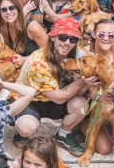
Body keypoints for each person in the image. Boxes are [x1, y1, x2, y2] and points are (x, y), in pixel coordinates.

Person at [13, 17, 91, 154]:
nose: (67, 43)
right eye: (63, 37)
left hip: (54, 99)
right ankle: (21, 134)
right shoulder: (38, 61)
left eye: (73, 39)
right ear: (53, 37)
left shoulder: (79, 55)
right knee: (27, 127)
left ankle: (63, 135)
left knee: (81, 105)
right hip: (30, 100)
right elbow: (59, 98)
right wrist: (83, 81)